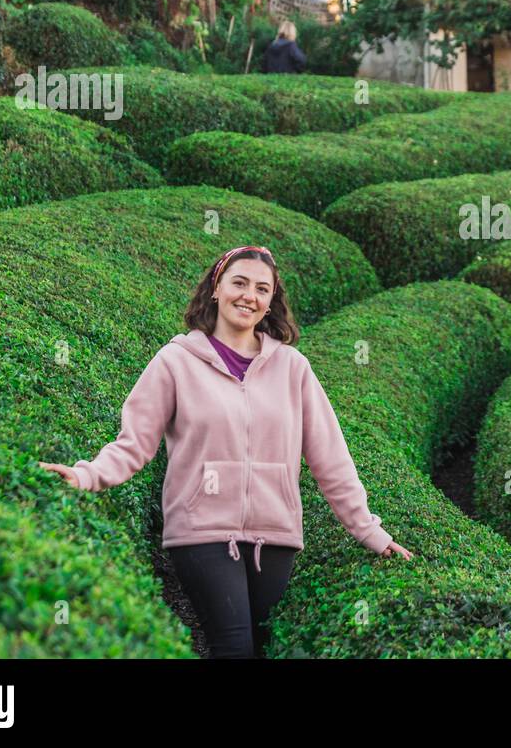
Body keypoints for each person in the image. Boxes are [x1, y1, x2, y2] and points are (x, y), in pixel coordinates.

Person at [39, 244, 411, 658]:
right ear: (217, 288)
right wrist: (85, 475)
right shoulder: (175, 362)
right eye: (239, 283)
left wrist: (369, 531)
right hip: (201, 531)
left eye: (261, 289)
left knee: (261, 646)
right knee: (232, 645)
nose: (248, 296)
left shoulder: (292, 368)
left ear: (271, 301)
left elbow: (331, 458)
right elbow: (133, 444)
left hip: (276, 535)